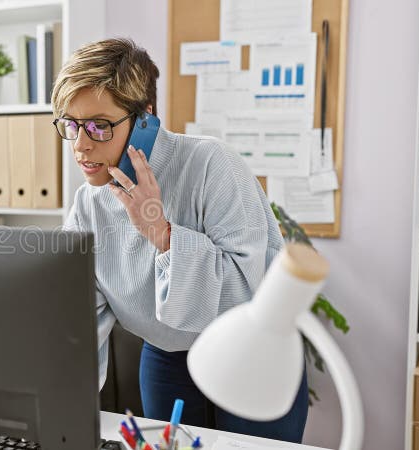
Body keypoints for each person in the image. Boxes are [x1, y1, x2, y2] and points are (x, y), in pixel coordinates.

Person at [51, 38, 308, 443]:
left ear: (145, 117)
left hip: (252, 355)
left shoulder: (212, 165)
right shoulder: (88, 204)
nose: (81, 144)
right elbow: (74, 320)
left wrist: (162, 234)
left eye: (99, 125)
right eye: (71, 124)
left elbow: (247, 290)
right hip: (167, 357)